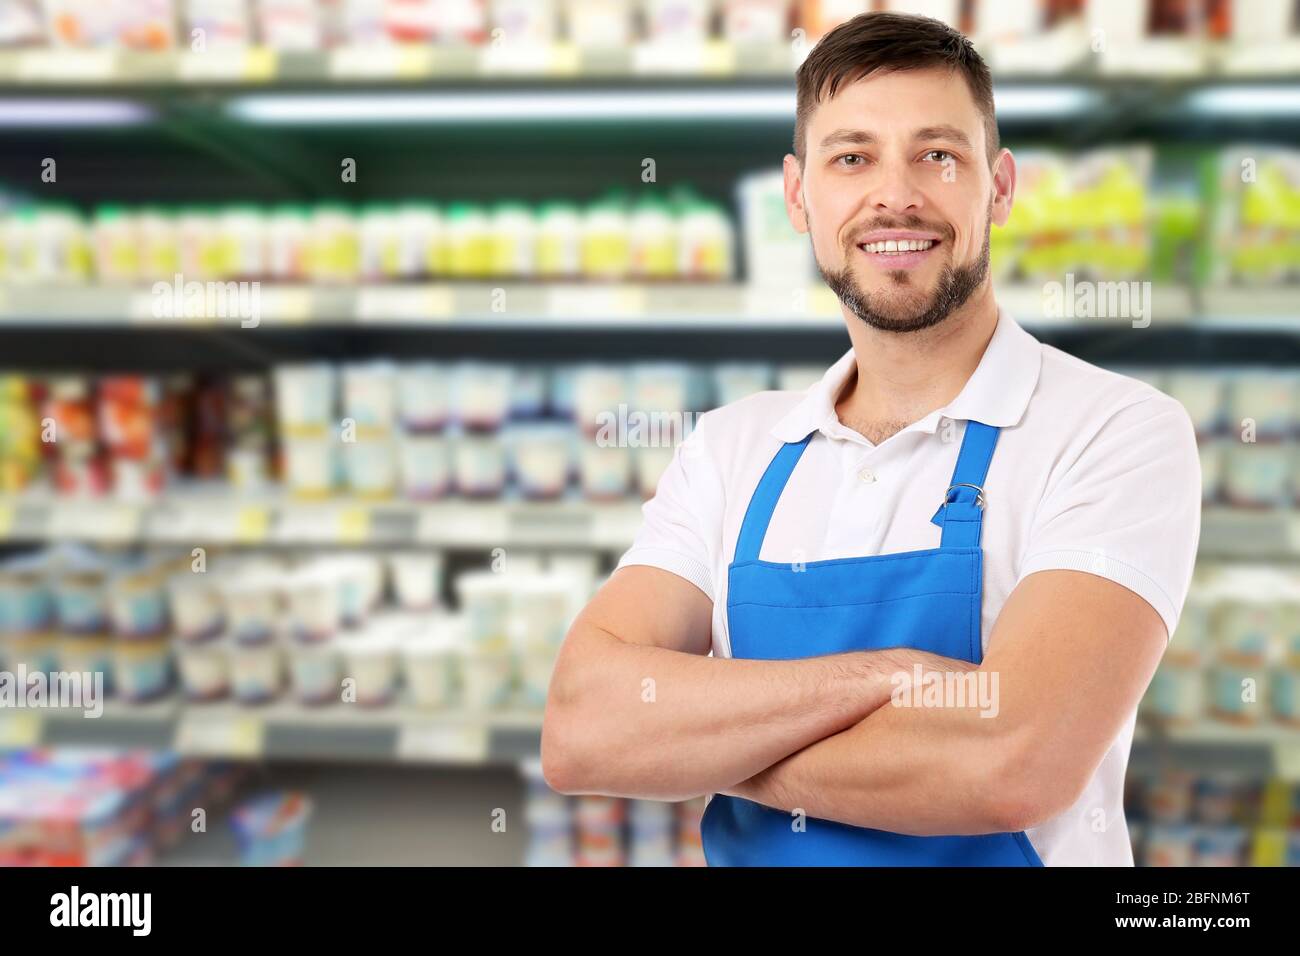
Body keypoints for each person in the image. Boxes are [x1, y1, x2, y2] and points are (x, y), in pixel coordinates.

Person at [541, 11, 1201, 866]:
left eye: (937, 154)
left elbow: (1012, 762)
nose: (896, 195)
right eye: (852, 157)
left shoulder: (1113, 431)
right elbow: (582, 727)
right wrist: (885, 675)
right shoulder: (731, 449)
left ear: (998, 186)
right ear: (797, 194)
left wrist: (700, 743)